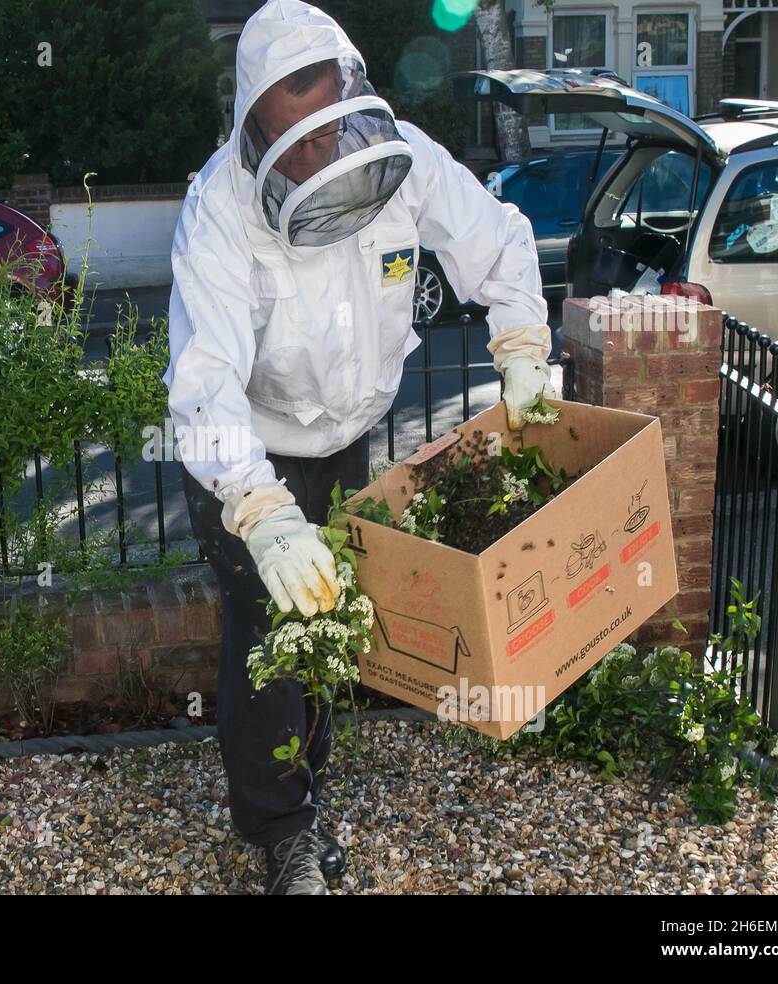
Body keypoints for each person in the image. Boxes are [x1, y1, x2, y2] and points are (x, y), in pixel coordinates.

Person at [163, 0, 555, 895]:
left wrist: (524, 344)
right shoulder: (218, 211)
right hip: (249, 455)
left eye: (322, 131)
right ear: (251, 131)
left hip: (346, 438)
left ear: (351, 94)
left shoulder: (406, 161)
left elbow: (497, 243)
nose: (310, 159)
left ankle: (306, 784)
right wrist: (261, 515)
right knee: (269, 631)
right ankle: (281, 832)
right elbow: (206, 378)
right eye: (286, 142)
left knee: (330, 623)